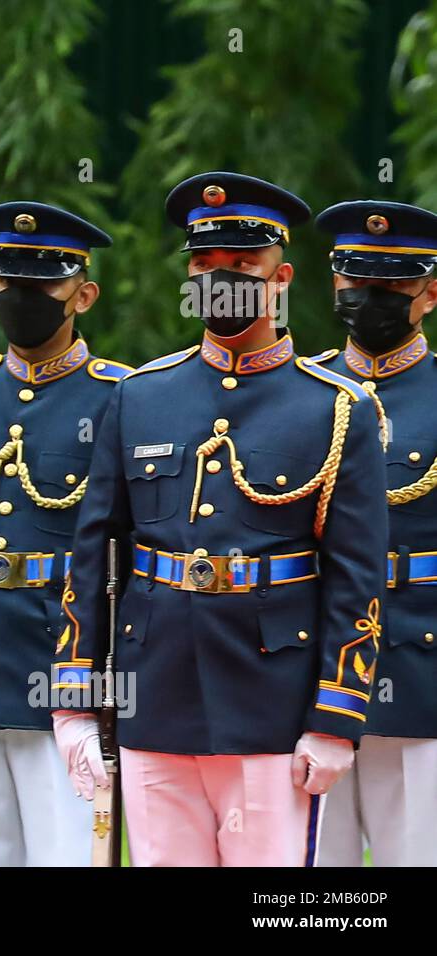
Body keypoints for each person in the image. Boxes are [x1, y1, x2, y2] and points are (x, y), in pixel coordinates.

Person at [52, 172, 388, 866]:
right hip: (154, 692)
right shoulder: (142, 395)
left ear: (281, 277)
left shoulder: (334, 407)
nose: (221, 279)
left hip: (270, 698)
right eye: (205, 266)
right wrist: (74, 697)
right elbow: (94, 552)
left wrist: (337, 716)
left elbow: (356, 576)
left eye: (243, 266)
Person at [0, 201, 128, 866]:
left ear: (83, 293)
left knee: (68, 854)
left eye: (41, 284)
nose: (20, 297)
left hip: (65, 676)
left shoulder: (120, 398)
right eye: (7, 281)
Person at [308, 200, 437, 867]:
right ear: (336, 284)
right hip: (308, 671)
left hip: (422, 668)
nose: (373, 299)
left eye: (392, 286)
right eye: (359, 283)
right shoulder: (299, 391)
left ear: (430, 292)